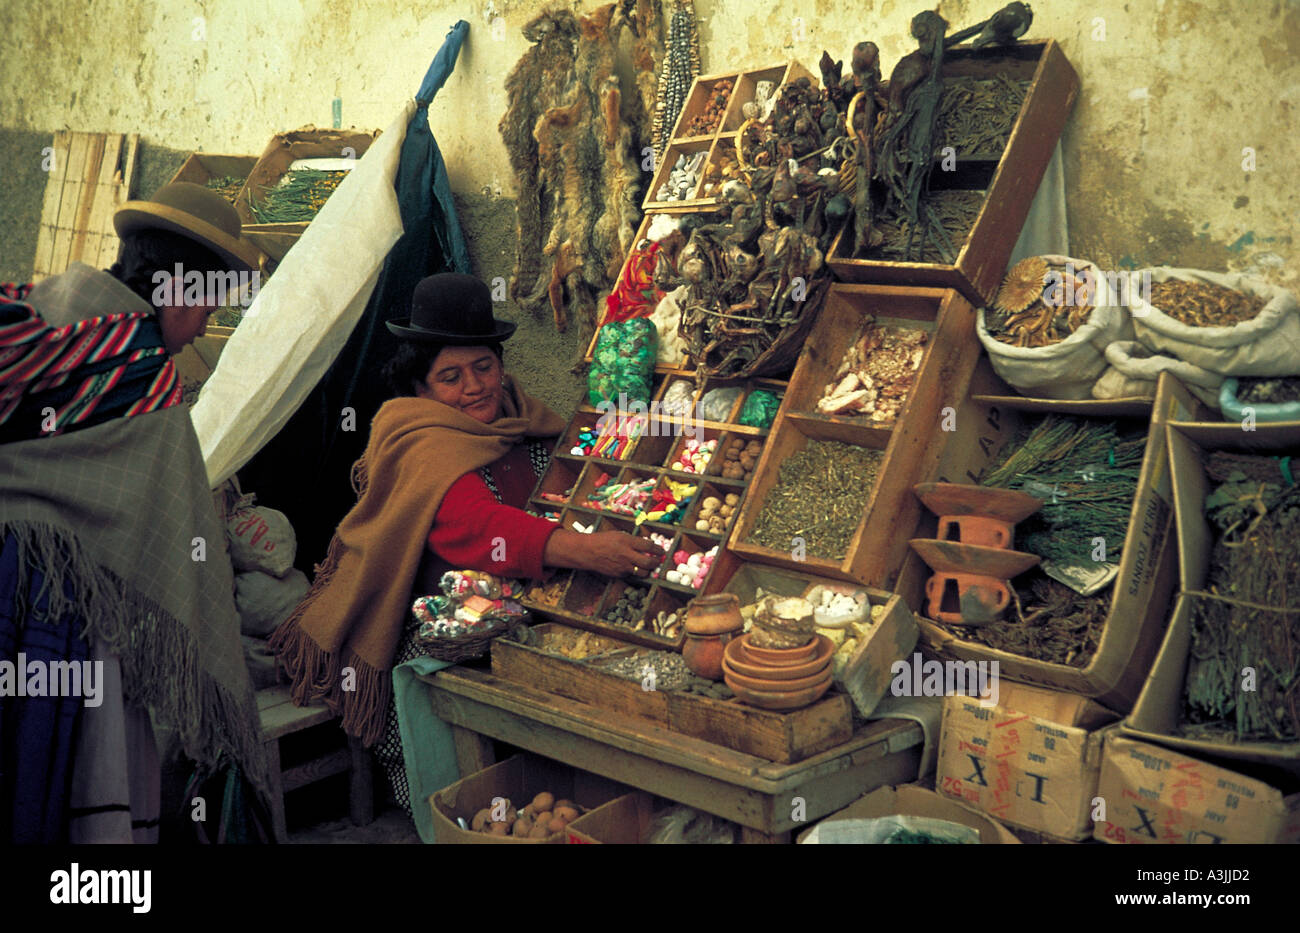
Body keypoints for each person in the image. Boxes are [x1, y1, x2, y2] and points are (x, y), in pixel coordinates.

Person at [270, 273, 661, 810]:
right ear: (421, 388)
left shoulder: (522, 421)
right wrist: (588, 550)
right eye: (450, 376)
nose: (474, 386)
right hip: (449, 628)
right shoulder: (420, 445)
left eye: (484, 367)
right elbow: (478, 528)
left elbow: (564, 480)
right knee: (478, 786)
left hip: (528, 603)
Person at [0, 182, 267, 843]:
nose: (204, 324)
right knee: (67, 778)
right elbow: (178, 544)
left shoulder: (44, 313)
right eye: (208, 303)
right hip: (63, 610)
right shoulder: (146, 377)